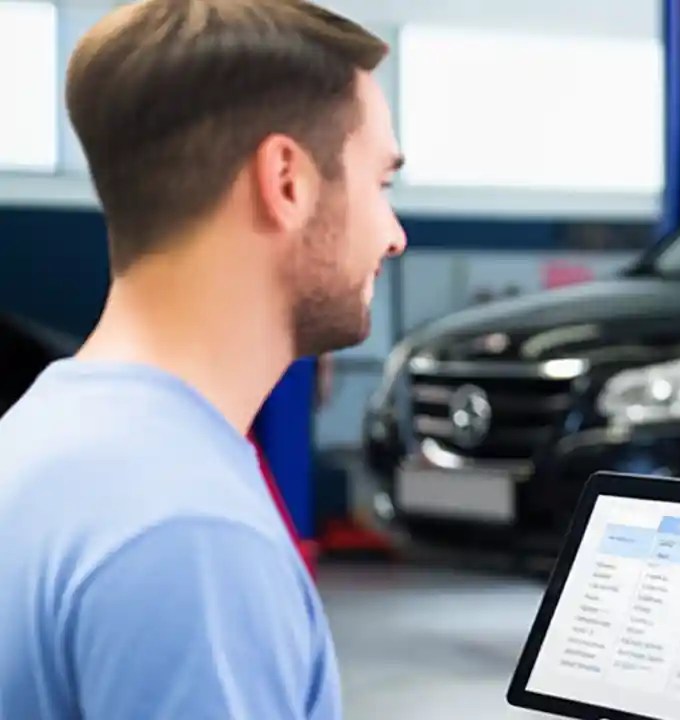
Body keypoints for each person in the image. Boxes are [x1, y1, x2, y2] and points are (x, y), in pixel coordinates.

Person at [0, 0, 406, 717]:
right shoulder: (188, 532)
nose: (393, 235)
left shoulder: (38, 436)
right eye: (381, 184)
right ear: (287, 180)